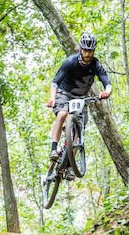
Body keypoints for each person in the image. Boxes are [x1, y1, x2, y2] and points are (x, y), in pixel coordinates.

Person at [47, 32, 112, 160]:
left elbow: (107, 82)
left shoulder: (96, 65)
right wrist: (53, 98)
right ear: (81, 49)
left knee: (80, 128)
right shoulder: (70, 62)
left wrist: (106, 92)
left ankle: (71, 164)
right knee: (62, 114)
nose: (87, 54)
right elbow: (55, 82)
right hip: (64, 94)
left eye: (90, 51)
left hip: (81, 98)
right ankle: (53, 149)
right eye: (85, 50)